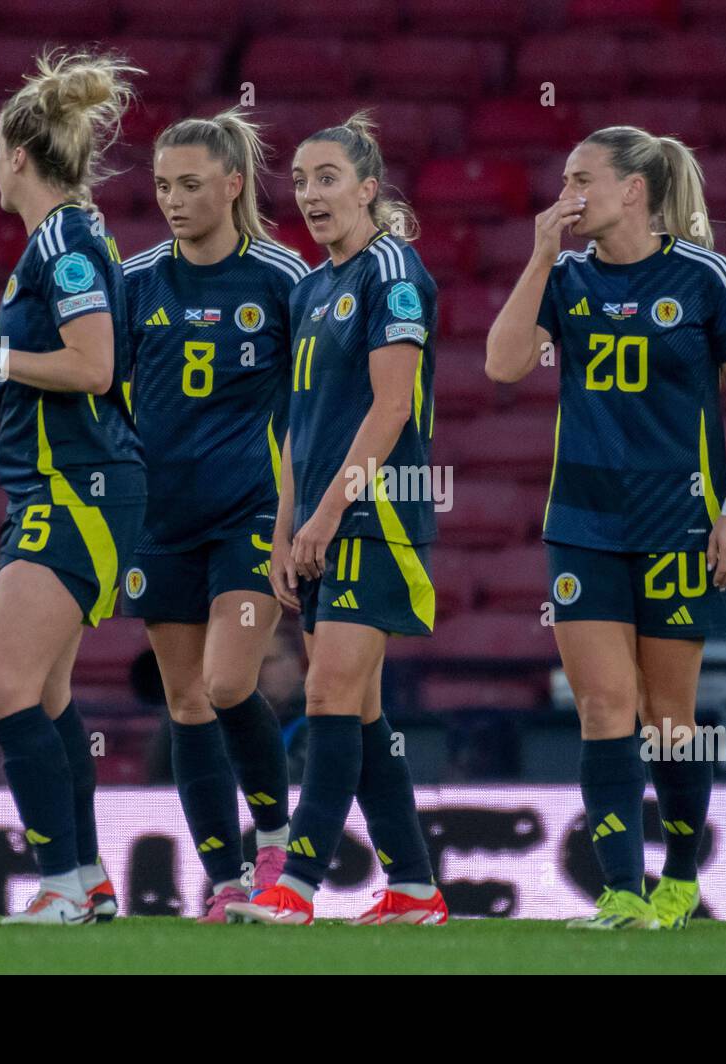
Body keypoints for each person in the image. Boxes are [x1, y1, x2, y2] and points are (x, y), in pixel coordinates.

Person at [485, 126, 726, 930]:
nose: (566, 193)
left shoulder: (705, 275)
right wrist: (538, 257)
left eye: (581, 179)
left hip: (681, 521)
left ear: (633, 190)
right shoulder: (566, 276)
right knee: (604, 707)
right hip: (583, 523)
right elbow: (503, 365)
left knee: (669, 717)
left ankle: (680, 878)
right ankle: (620, 893)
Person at [0, 49, 144, 925]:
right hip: (66, 488)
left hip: (76, 491)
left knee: (1, 690)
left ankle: (63, 886)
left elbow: (93, 367)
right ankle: (88, 879)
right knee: (46, 698)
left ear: (15, 156)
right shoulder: (63, 242)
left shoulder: (65, 241)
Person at [228, 113, 447, 926]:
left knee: (327, 691)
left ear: (368, 188)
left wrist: (326, 515)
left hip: (375, 514)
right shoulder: (311, 287)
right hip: (321, 518)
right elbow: (297, 427)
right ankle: (417, 888)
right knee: (356, 707)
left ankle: (297, 885)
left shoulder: (392, 271)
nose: (312, 195)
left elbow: (392, 407)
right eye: (303, 181)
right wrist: (286, 529)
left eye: (329, 179)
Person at [119, 110, 307, 921]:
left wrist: (300, 514)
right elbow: (97, 384)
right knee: (185, 701)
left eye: (190, 185)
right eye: (162, 185)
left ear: (233, 185)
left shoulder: (282, 276)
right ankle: (225, 880)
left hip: (250, 515)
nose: (173, 200)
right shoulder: (132, 283)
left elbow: (317, 402)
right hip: (160, 521)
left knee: (230, 684)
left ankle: (273, 833)